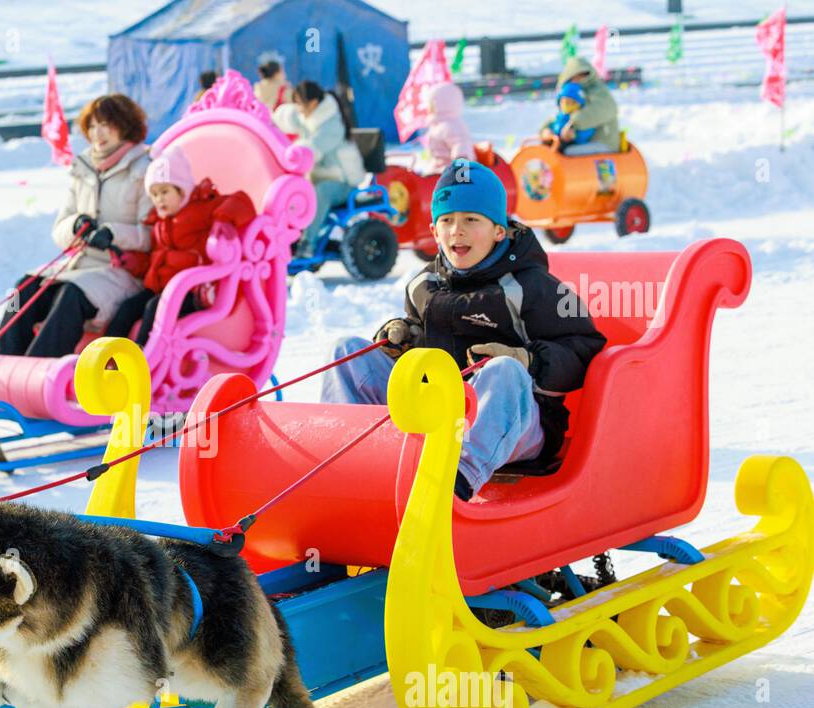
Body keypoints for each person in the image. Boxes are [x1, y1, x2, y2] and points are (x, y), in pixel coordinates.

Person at [320, 159, 606, 501]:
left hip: (518, 425)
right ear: (433, 230)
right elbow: (419, 340)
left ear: (499, 230)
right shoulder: (423, 284)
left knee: (504, 371)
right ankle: (348, 465)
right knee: (348, 351)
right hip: (440, 416)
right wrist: (401, 336)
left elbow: (586, 346)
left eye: (471, 219)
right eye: (447, 220)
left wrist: (527, 360)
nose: (457, 230)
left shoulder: (534, 286)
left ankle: (453, 484)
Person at [0, 94, 152, 358]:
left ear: (125, 125)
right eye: (91, 126)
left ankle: (38, 372)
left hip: (122, 273)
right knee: (24, 288)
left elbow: (151, 235)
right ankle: (1, 363)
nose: (97, 133)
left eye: (106, 125)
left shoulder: (144, 169)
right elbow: (59, 229)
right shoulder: (84, 168)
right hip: (79, 267)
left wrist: (113, 234)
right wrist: (77, 225)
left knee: (71, 294)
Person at [105, 146, 255, 345]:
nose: (160, 199)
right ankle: (108, 357)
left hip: (192, 292)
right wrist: (134, 262)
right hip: (164, 289)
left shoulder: (202, 207)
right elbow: (157, 261)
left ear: (182, 189)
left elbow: (241, 201)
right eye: (155, 194)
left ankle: (142, 360)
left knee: (155, 307)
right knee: (128, 308)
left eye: (165, 191)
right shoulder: (159, 224)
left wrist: (222, 219)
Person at [271, 81, 365, 258]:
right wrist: (269, 120)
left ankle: (307, 244)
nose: (298, 108)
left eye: (300, 103)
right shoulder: (310, 114)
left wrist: (287, 156)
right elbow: (289, 116)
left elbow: (310, 150)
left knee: (316, 194)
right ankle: (290, 239)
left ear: (313, 103)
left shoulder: (331, 125)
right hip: (319, 178)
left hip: (342, 181)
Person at [540, 56, 620, 154]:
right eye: (576, 76)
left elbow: (604, 109)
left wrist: (572, 124)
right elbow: (560, 115)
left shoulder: (597, 91)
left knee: (568, 153)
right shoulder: (570, 92)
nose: (580, 79)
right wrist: (547, 129)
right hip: (579, 142)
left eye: (584, 75)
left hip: (602, 142)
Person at [421, 82, 475, 173]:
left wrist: (461, 179)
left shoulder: (453, 126)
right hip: (437, 172)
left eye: (430, 104)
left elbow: (462, 151)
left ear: (441, 104)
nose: (428, 107)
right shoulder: (437, 126)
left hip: (449, 176)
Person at [545, 83, 596, 153]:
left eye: (571, 102)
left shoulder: (582, 117)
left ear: (579, 104)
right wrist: (547, 132)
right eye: (563, 102)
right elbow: (551, 126)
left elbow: (588, 131)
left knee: (568, 151)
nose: (566, 105)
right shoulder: (559, 117)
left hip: (571, 147)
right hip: (555, 145)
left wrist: (575, 136)